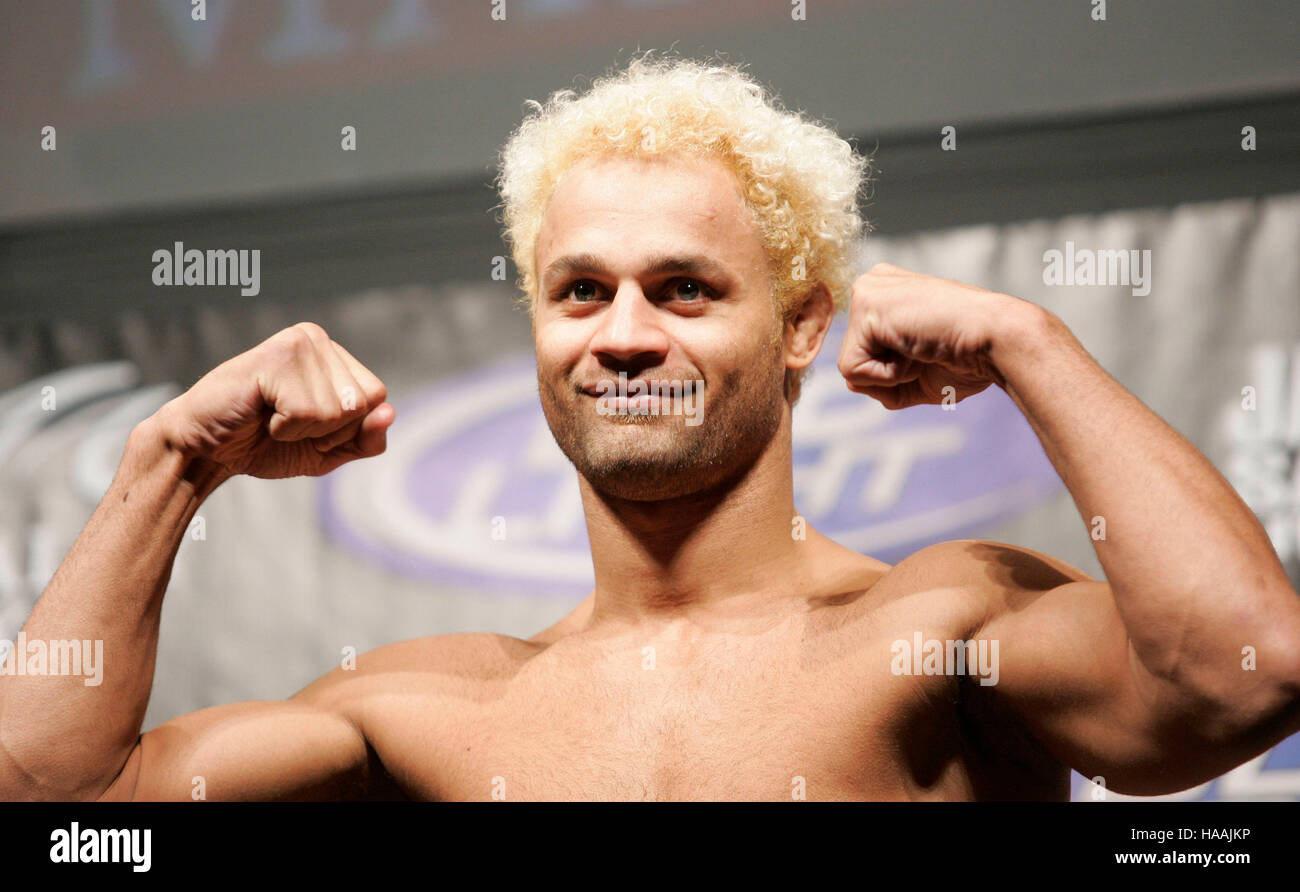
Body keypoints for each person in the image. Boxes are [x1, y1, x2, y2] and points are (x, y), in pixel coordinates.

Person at [2, 53, 1297, 802]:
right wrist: (168, 462)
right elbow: (58, 805)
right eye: (580, 291)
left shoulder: (948, 629)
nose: (622, 333)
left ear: (800, 327)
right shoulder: (416, 709)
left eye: (685, 288)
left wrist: (1032, 343)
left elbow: (1249, 675)